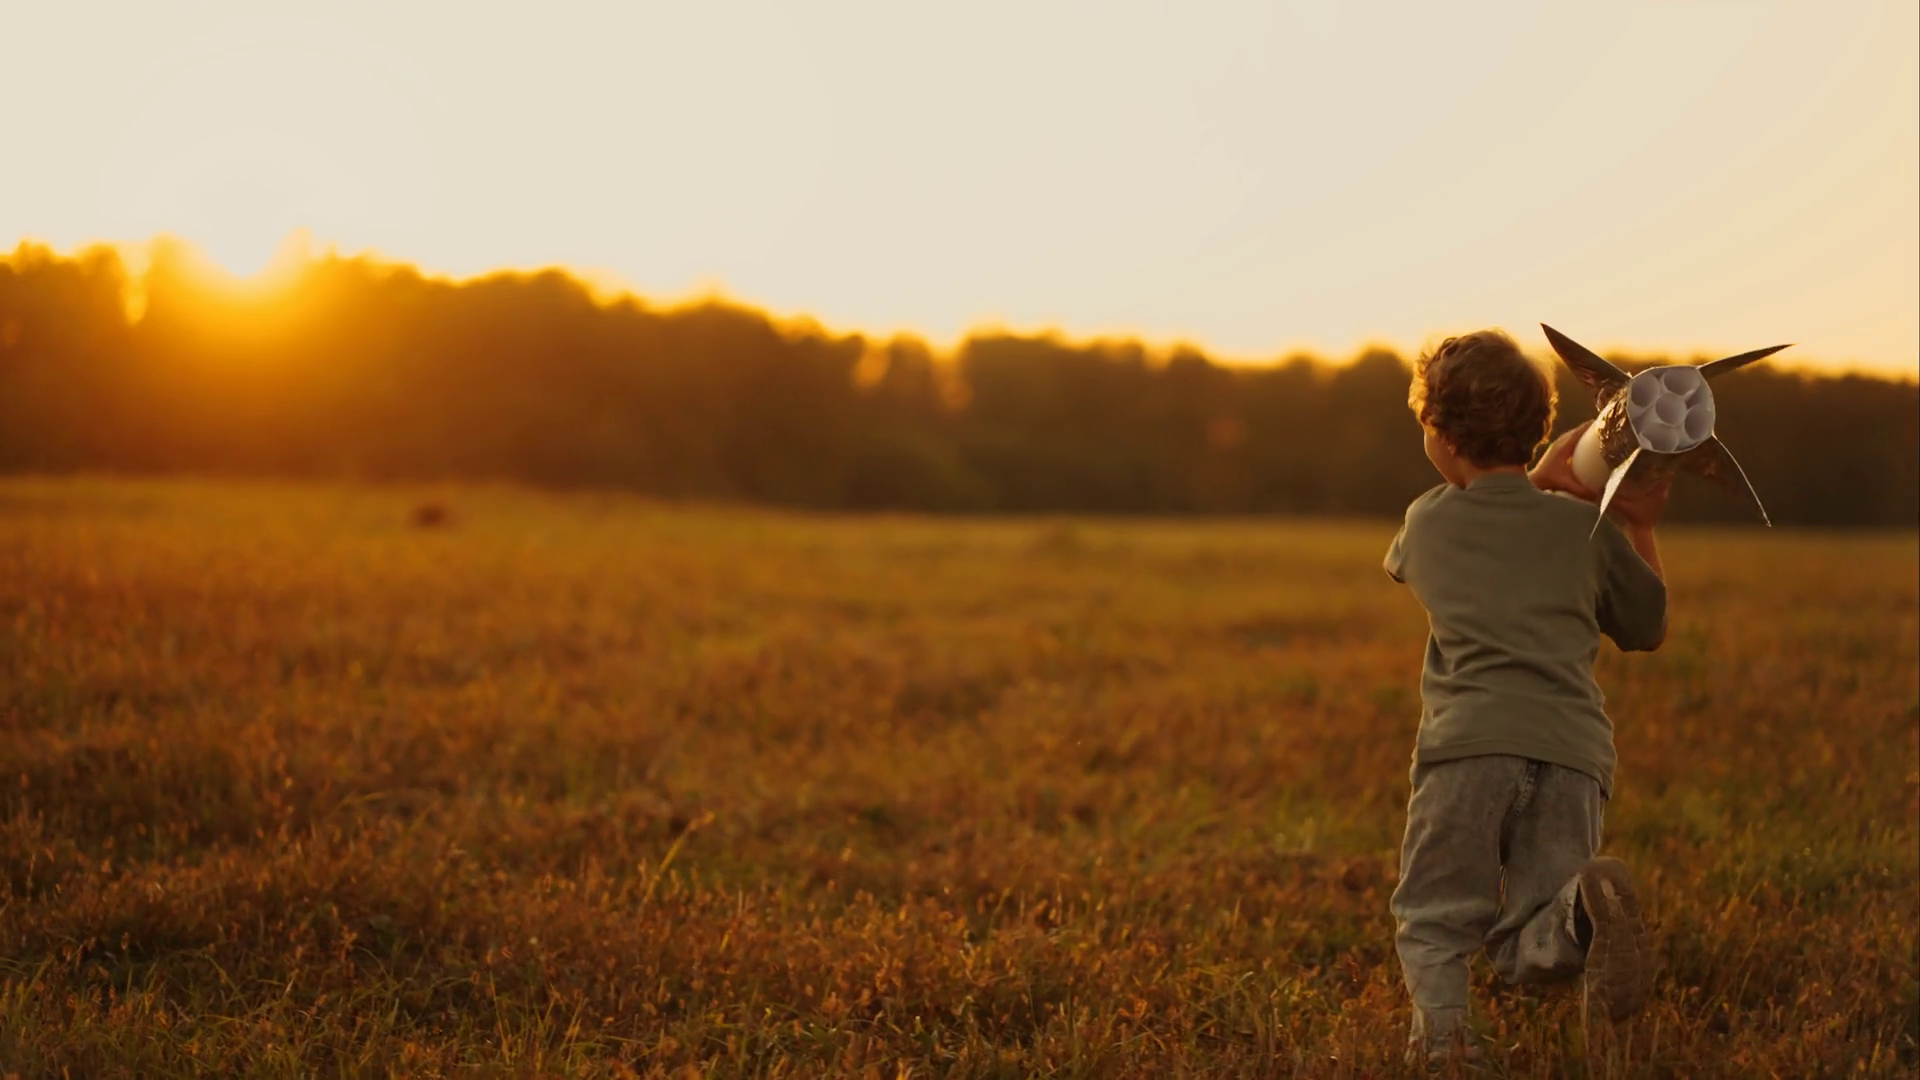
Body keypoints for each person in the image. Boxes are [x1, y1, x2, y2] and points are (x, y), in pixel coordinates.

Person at [1382, 329, 1670, 1065]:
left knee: (1437, 918)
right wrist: (1636, 521)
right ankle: (1579, 917)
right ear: (1538, 427)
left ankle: (1444, 1043)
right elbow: (1646, 625)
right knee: (1528, 943)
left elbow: (1419, 555)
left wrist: (1534, 483)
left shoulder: (1426, 523)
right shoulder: (1587, 527)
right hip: (1572, 756)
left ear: (1439, 435)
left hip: (1466, 752)